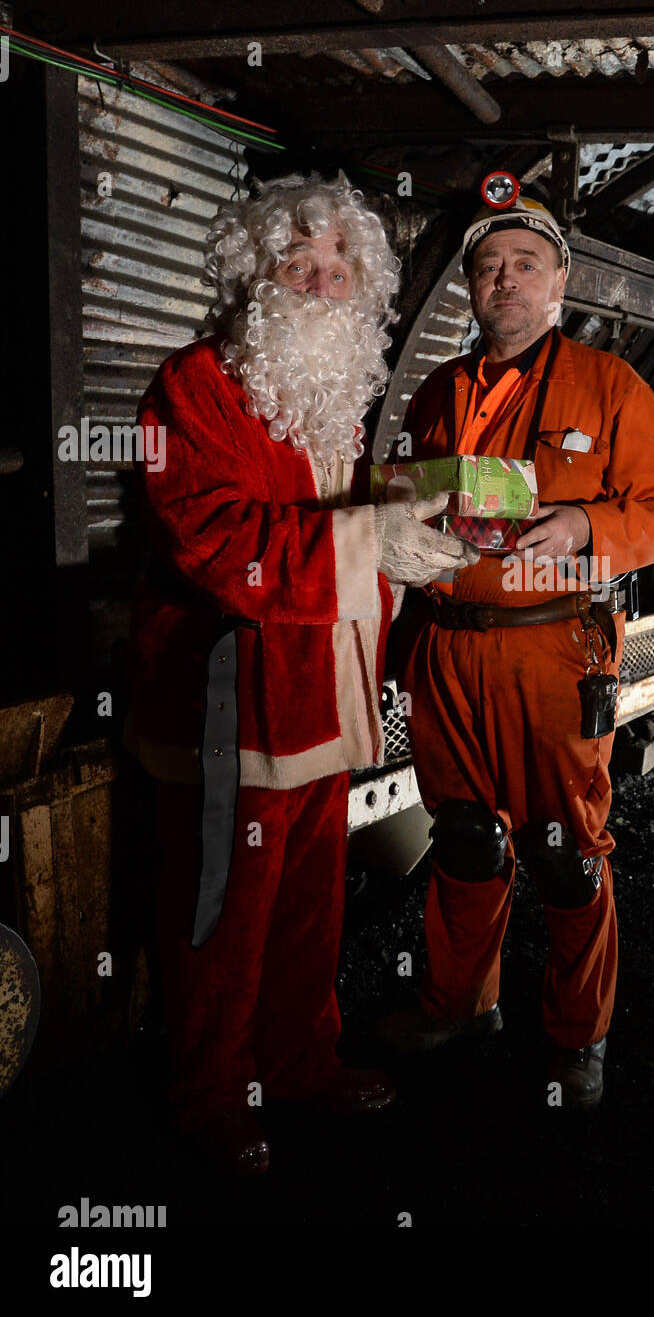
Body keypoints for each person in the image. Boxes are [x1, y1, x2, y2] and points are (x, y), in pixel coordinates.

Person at [124, 173, 477, 1173]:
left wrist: (429, 509)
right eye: (300, 261)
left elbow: (338, 513)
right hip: (230, 702)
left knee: (310, 903)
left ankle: (299, 1061)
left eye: (339, 266)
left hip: (323, 694)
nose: (321, 283)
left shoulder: (329, 398)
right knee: (221, 915)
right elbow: (216, 541)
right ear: (256, 274)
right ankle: (211, 1096)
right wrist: (376, 540)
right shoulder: (194, 384)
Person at [380, 194, 654, 1106]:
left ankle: (576, 1035)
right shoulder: (440, 390)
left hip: (551, 649)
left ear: (560, 283)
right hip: (447, 649)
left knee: (564, 851)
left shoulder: (610, 386)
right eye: (488, 268)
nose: (504, 280)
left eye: (525, 264)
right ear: (472, 290)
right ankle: (460, 1005)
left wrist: (587, 524)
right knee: (466, 840)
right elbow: (403, 488)